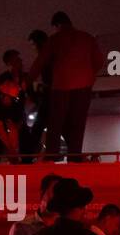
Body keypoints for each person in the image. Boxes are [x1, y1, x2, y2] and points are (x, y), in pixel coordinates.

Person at [28, 11, 105, 160]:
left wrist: (28, 81)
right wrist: (89, 75)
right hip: (84, 86)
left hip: (61, 86)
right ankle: (74, 155)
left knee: (56, 122)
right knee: (78, 122)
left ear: (57, 25)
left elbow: (40, 62)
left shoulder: (55, 39)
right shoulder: (87, 38)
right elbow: (99, 61)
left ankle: (52, 154)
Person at [27, 29, 52, 147]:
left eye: (33, 45)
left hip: (50, 94)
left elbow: (31, 75)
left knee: (38, 125)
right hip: (55, 93)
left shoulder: (44, 56)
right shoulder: (54, 55)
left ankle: (30, 152)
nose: (33, 49)